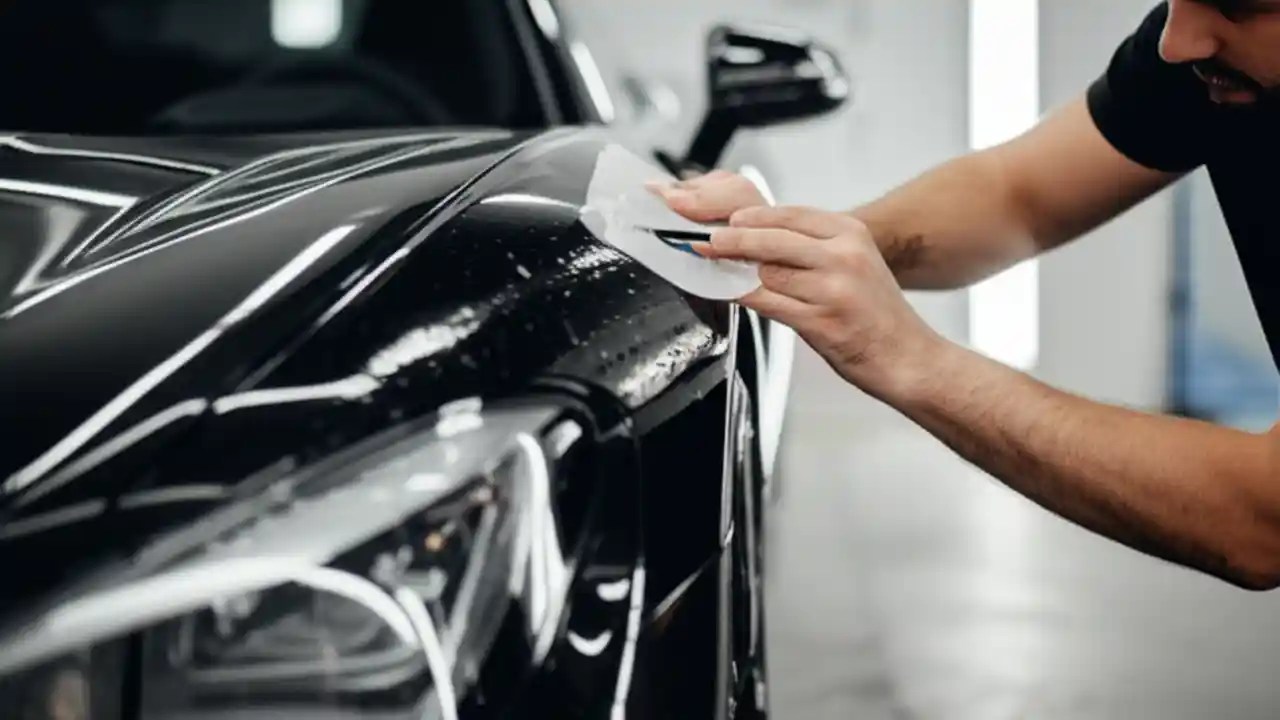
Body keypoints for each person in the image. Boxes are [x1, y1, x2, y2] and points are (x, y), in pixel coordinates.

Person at [650, 0, 1280, 590]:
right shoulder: (1203, 51)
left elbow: (1262, 519)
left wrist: (908, 357)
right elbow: (1016, 194)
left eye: (1242, 4)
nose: (1175, 42)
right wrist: (811, 246)